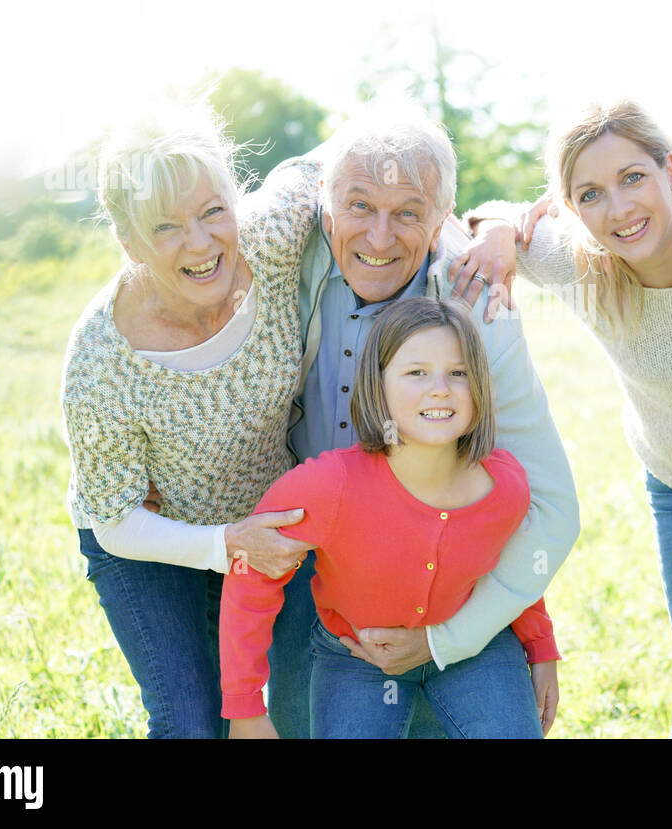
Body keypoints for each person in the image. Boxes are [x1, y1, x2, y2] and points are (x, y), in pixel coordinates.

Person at [452, 98, 672, 738]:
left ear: (669, 169)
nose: (619, 209)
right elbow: (495, 217)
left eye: (633, 178)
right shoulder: (580, 260)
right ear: (570, 208)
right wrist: (497, 227)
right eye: (591, 194)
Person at [253, 102, 579, 737]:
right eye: (360, 208)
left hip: (436, 553)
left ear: (439, 225)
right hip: (308, 550)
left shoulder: (480, 306)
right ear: (326, 212)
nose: (379, 237)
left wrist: (447, 639)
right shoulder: (282, 253)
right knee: (299, 723)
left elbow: (547, 509)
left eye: (407, 213)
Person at [60, 106, 318, 738]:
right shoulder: (102, 358)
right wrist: (226, 544)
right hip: (149, 538)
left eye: (212, 212)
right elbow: (117, 519)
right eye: (167, 227)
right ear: (129, 241)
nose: (201, 243)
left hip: (271, 521)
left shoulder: (272, 236)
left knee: (297, 710)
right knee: (192, 723)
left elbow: (344, 163)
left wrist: (494, 228)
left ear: (237, 202)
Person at [221, 297, 559, 738]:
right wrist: (245, 706)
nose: (440, 388)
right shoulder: (328, 485)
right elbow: (250, 575)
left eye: (458, 373)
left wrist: (541, 649)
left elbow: (514, 571)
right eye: (416, 372)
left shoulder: (504, 484)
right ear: (377, 386)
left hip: (474, 648)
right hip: (355, 658)